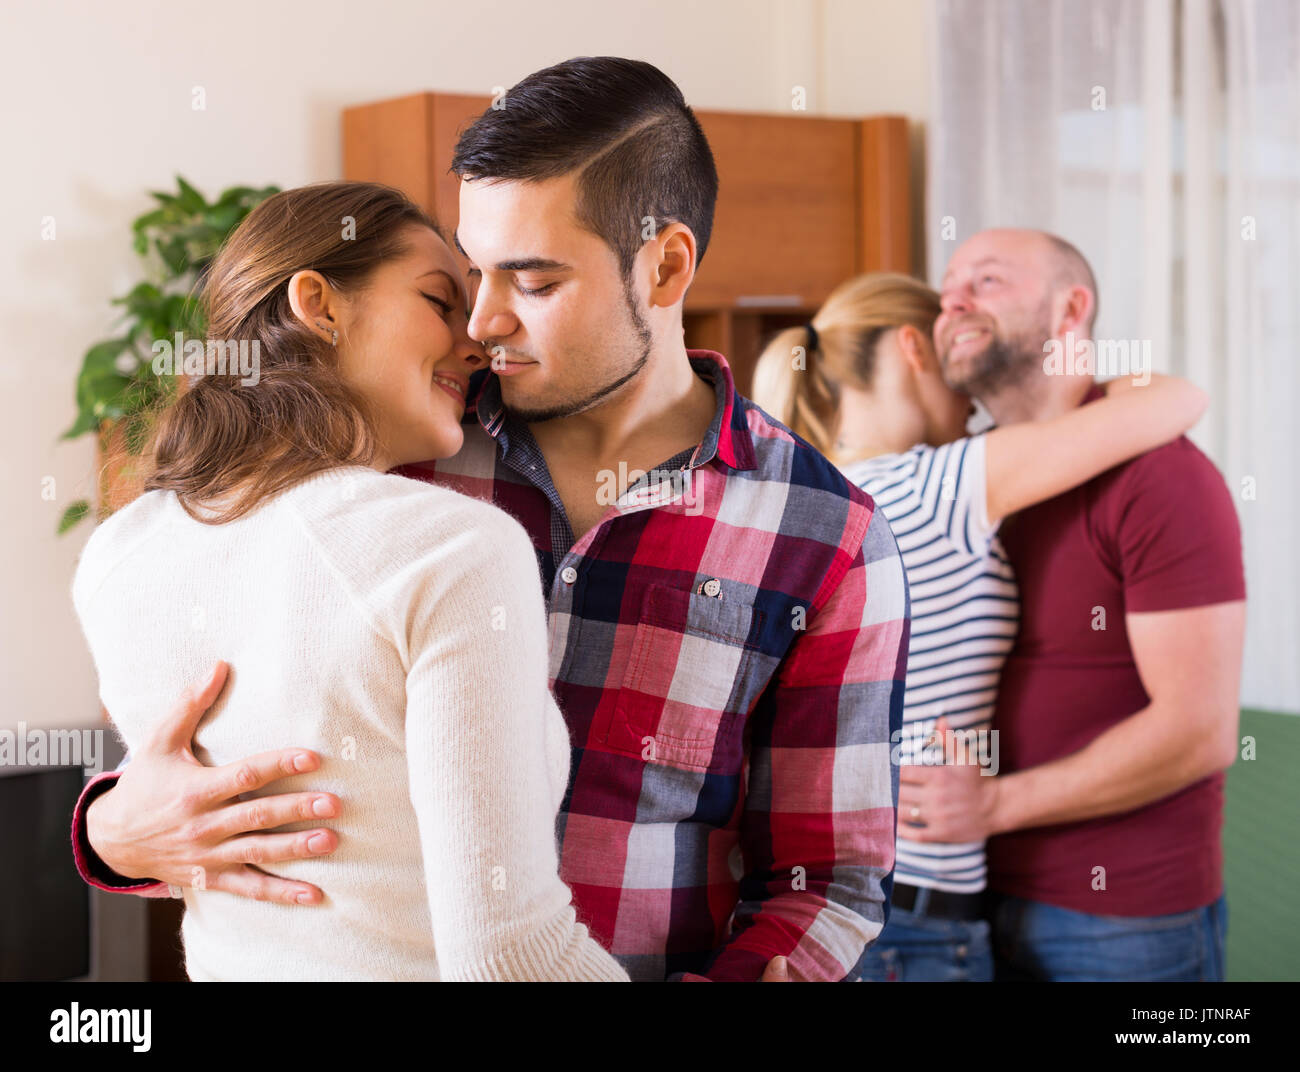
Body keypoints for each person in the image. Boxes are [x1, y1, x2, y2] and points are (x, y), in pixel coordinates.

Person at [70, 57, 909, 982]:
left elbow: (826, 883)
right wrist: (111, 829)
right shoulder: (394, 453)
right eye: (469, 276)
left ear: (666, 266)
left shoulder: (827, 537)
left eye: (535, 282)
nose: (483, 322)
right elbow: (225, 724)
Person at [70, 181, 630, 981]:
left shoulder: (117, 555)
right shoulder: (452, 550)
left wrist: (107, 831)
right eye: (441, 300)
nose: (475, 342)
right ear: (319, 305)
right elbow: (512, 959)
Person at [752, 271, 1210, 981]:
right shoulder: (935, 486)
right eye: (958, 379)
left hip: (837, 904)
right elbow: (1181, 399)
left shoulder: (819, 494)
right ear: (914, 349)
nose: (972, 411)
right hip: (920, 916)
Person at [899, 228, 1246, 982]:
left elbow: (1201, 732)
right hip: (962, 909)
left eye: (985, 280)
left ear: (1071, 307)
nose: (951, 299)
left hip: (1116, 920)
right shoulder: (959, 483)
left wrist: (992, 807)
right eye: (947, 284)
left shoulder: (1160, 478)